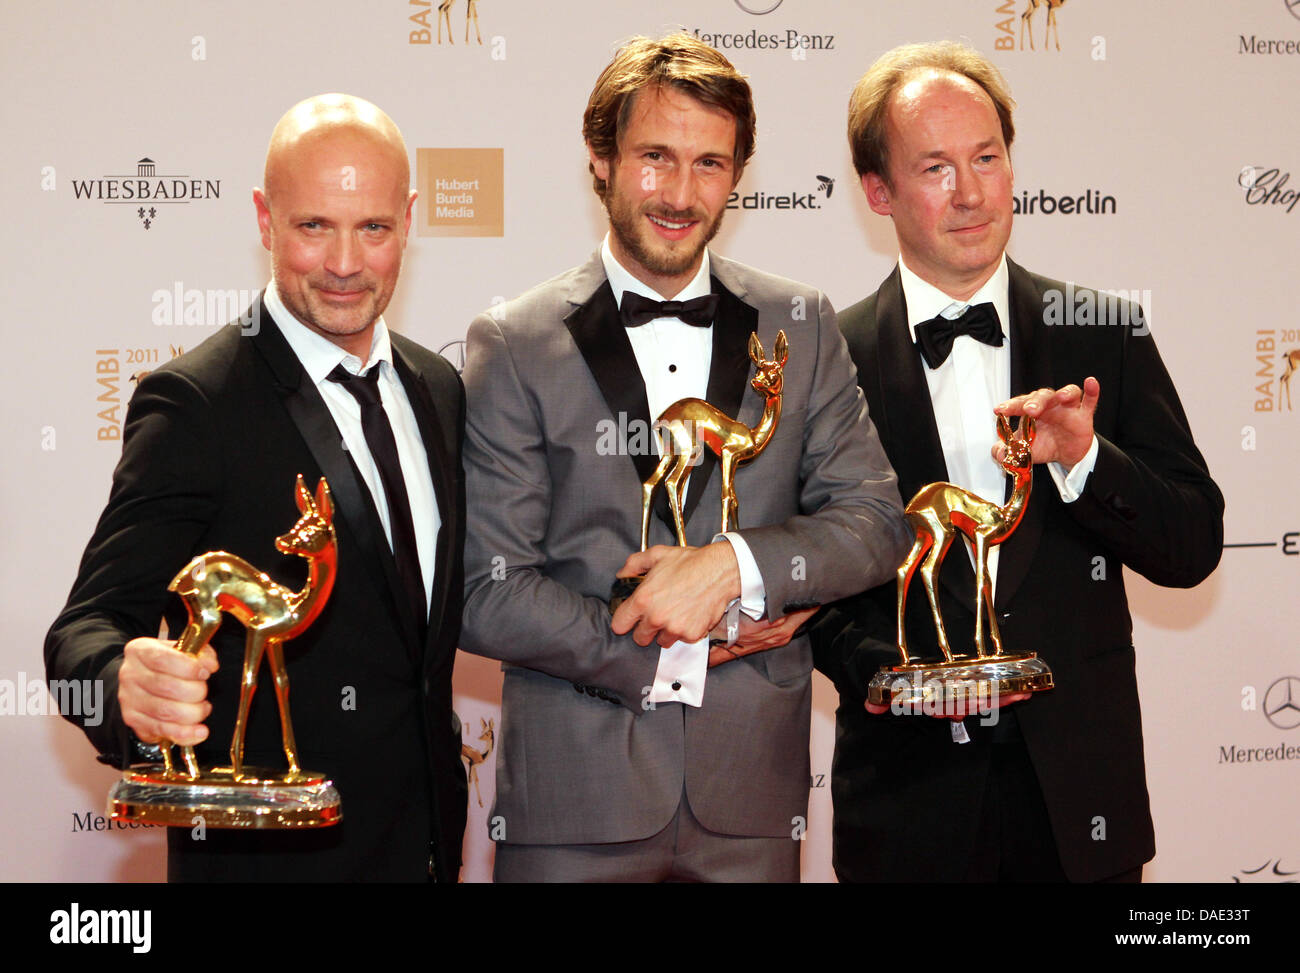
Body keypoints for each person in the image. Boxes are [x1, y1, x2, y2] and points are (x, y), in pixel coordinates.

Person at [459, 34, 909, 882]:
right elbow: (486, 589)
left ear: (738, 174)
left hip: (751, 796)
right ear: (600, 159)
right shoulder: (515, 342)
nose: (679, 192)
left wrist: (732, 568)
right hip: (574, 800)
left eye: (710, 163)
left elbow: (876, 521)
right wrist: (668, 645)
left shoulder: (800, 325)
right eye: (654, 157)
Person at [812, 42, 1224, 882]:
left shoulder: (1102, 329)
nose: (970, 193)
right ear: (878, 191)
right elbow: (797, 582)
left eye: (987, 158)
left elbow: (1193, 543)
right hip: (907, 814)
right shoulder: (832, 357)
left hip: (1082, 813)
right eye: (935, 167)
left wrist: (1084, 459)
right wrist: (889, 678)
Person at [45, 94, 467, 882]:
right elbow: (83, 631)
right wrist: (123, 685)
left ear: (408, 220)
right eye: (313, 226)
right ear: (265, 220)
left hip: (428, 850)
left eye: (372, 227)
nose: (345, 261)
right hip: (270, 866)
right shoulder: (198, 402)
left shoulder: (436, 386)